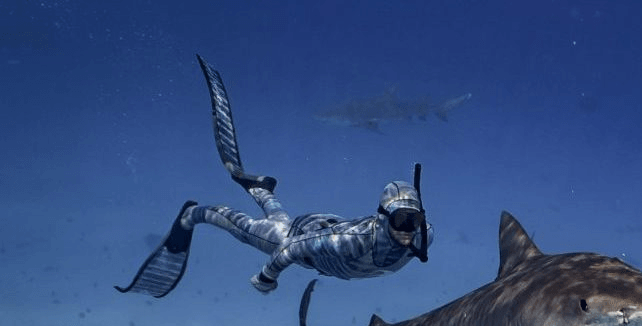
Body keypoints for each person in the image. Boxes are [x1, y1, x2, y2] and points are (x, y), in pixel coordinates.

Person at [115, 55, 432, 298]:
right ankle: (193, 214)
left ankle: (262, 189)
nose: (407, 229)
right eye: (400, 220)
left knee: (278, 220)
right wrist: (266, 278)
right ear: (382, 217)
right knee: (254, 232)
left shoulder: (424, 236)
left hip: (320, 228)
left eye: (413, 220)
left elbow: (410, 235)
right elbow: (291, 249)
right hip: (305, 239)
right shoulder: (353, 242)